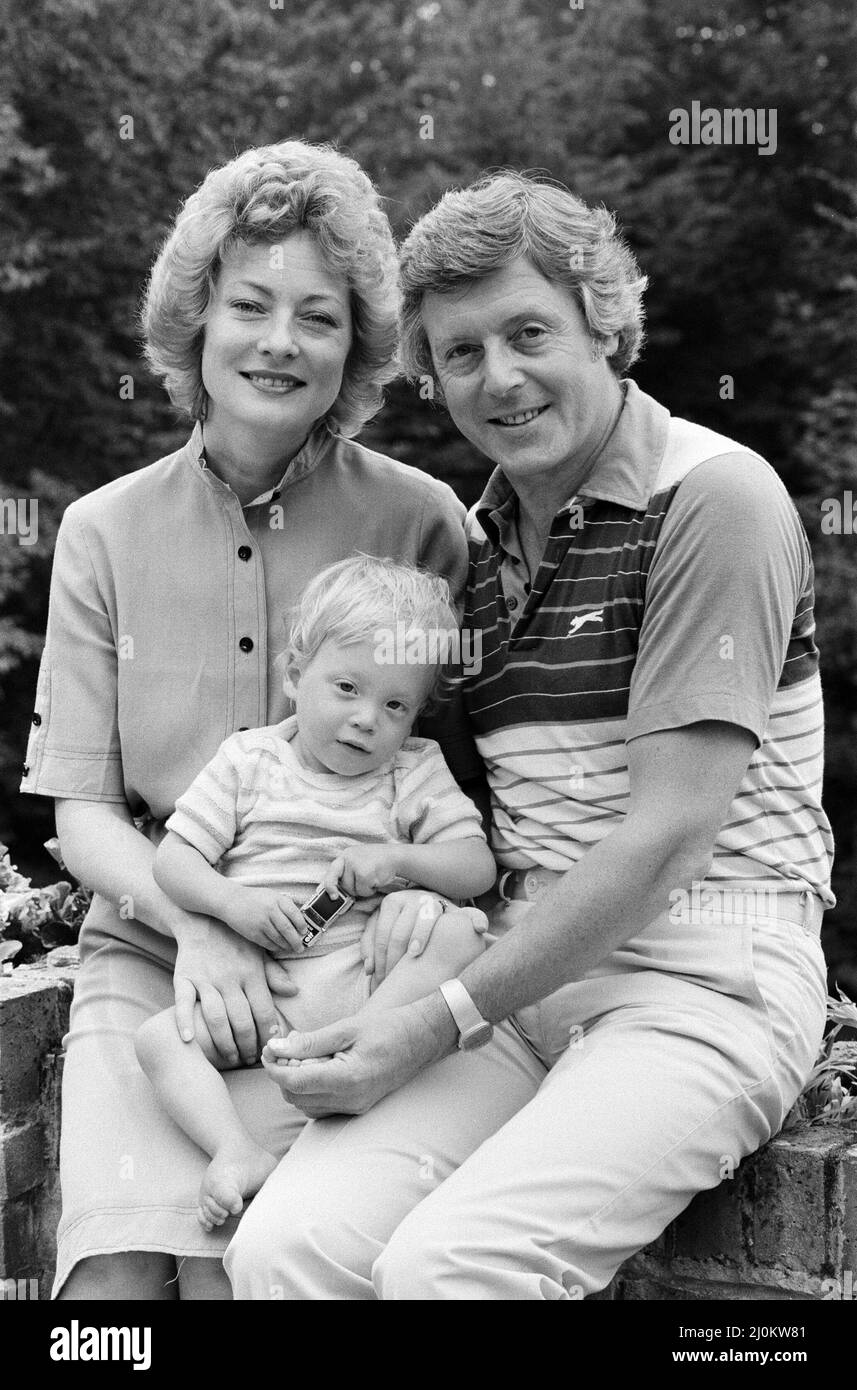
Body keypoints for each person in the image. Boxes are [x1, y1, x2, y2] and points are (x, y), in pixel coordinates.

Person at [225, 171, 835, 1300]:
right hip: (518, 980)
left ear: (604, 325)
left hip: (701, 981)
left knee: (452, 1268)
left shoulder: (712, 500)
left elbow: (665, 841)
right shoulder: (470, 544)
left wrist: (431, 1022)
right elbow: (401, 780)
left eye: (528, 333)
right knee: (280, 1249)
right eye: (459, 353)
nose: (497, 378)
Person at [20, 140, 479, 1300]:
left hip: (345, 974)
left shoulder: (425, 527)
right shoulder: (101, 533)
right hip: (148, 950)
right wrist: (206, 924)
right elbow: (82, 816)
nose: (280, 342)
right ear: (197, 322)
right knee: (110, 1295)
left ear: (356, 348)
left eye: (317, 317)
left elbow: (462, 802)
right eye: (251, 305)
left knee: (248, 1276)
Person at [135, 555, 493, 1231]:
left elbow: (474, 868)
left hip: (361, 979)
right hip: (262, 996)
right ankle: (234, 1150)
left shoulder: (411, 770)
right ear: (295, 675)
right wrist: (231, 904)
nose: (366, 720)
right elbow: (175, 862)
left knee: (462, 932)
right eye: (348, 688)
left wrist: (395, 859)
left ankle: (363, 1049)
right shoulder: (248, 760)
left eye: (394, 706)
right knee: (158, 1040)